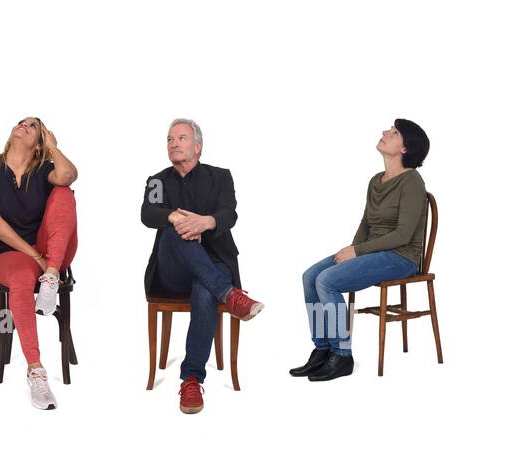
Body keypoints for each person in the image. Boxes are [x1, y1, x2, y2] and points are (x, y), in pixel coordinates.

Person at [291, 120, 431, 382]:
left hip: (401, 257)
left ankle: (342, 355)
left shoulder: (412, 181)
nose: (385, 133)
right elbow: (367, 224)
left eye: (394, 133)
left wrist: (357, 251)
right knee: (310, 276)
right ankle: (323, 350)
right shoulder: (375, 181)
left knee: (327, 280)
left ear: (404, 149)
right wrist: (353, 249)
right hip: (374, 252)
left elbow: (403, 235)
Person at [140, 119, 263, 415]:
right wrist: (176, 219)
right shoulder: (157, 180)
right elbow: (148, 213)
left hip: (214, 265)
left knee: (205, 289)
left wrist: (205, 222)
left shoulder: (220, 177)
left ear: (198, 145)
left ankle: (192, 378)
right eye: (169, 139)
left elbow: (228, 213)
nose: (174, 143)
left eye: (181, 138)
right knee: (173, 228)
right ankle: (231, 295)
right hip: (172, 272)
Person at [0, 117, 78, 410]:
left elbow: (68, 175)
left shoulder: (44, 168)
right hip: (9, 254)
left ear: (40, 140)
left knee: (64, 192)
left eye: (33, 126)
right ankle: (36, 370)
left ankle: (52, 278)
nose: (24, 125)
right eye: (22, 122)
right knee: (20, 276)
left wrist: (53, 147)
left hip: (52, 252)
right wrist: (35, 257)